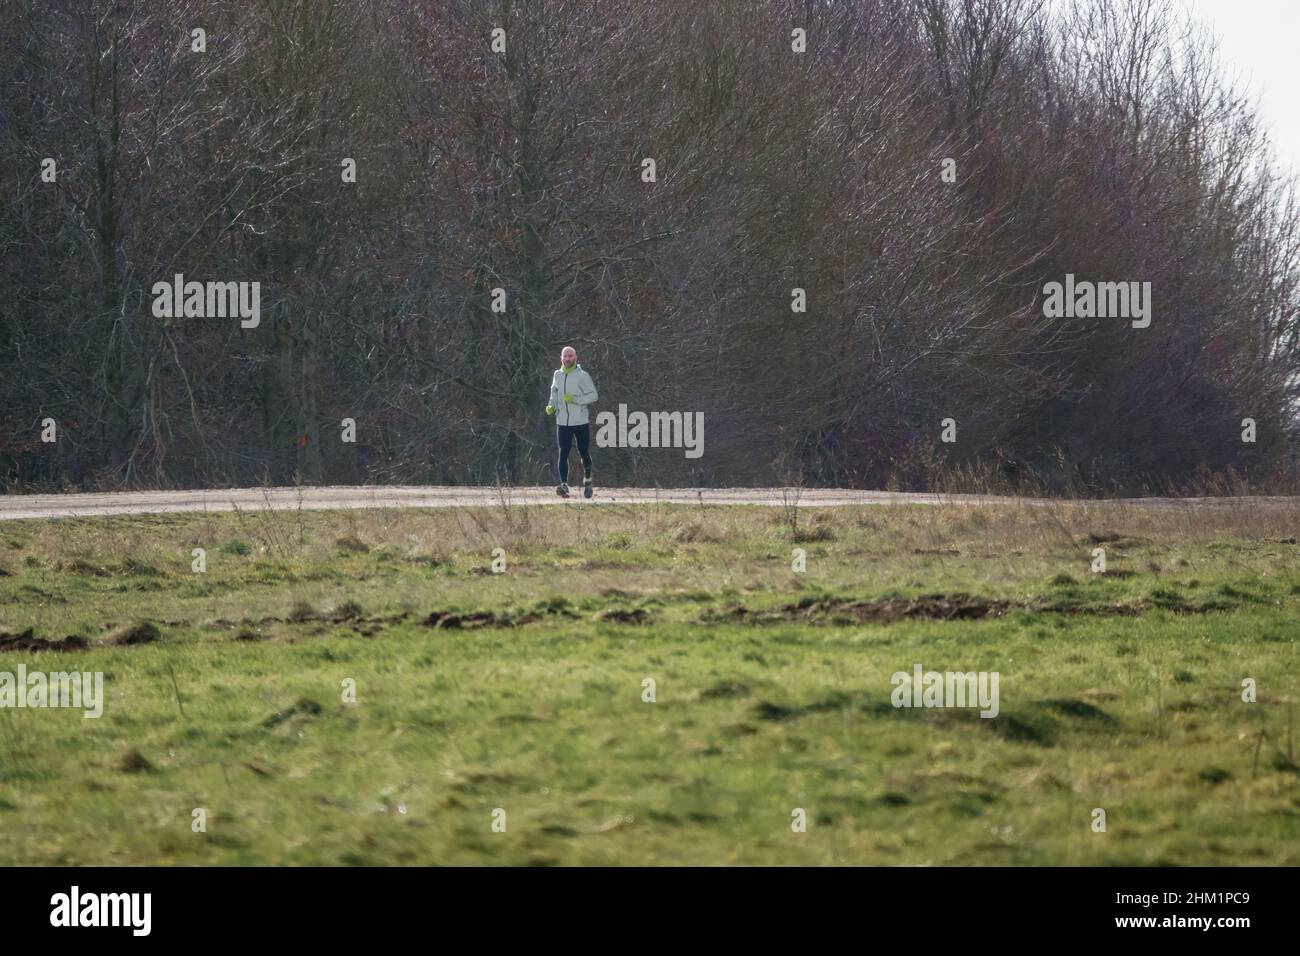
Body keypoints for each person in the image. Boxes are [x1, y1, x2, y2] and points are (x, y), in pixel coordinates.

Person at [545, 346, 598, 497]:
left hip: (580, 422)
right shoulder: (557, 375)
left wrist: (575, 399)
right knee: (563, 453)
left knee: (584, 452)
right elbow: (553, 393)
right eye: (565, 356)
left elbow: (594, 396)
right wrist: (551, 406)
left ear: (576, 358)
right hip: (562, 422)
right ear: (561, 358)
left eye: (570, 356)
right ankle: (564, 485)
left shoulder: (582, 375)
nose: (568, 359)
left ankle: (587, 479)